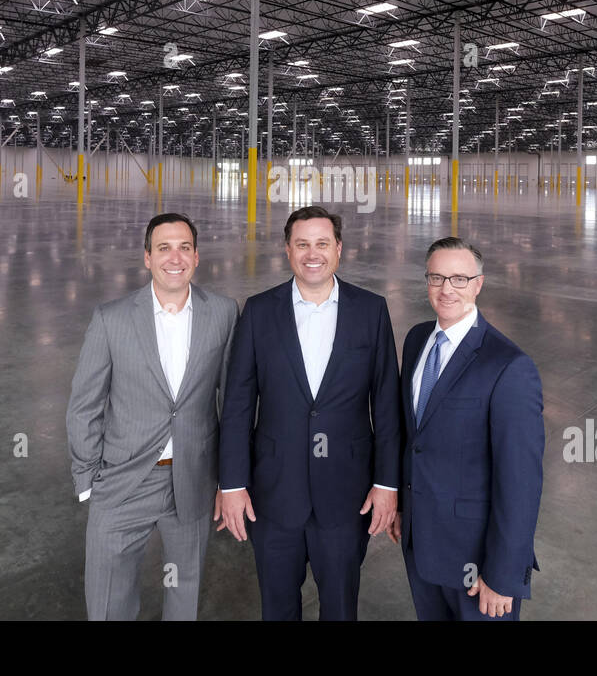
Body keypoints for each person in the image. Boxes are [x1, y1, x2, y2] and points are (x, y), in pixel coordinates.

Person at [218, 205, 401, 620]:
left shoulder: (370, 310)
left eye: (322, 243)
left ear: (339, 250)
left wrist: (387, 483)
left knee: (339, 607)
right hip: (272, 494)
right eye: (302, 244)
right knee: (277, 607)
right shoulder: (260, 310)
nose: (312, 253)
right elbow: (238, 404)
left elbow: (387, 404)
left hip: (346, 495)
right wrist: (232, 484)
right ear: (287, 251)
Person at [66, 212, 239, 620]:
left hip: (193, 479)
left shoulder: (224, 313)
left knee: (184, 590)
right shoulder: (112, 318)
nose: (174, 257)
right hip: (122, 480)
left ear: (197, 257)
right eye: (163, 248)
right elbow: (84, 404)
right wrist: (88, 478)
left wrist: (230, 481)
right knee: (108, 598)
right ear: (147, 258)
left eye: (184, 247)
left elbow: (233, 404)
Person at [390, 236, 544, 620]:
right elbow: (415, 440)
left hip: (477, 565)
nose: (447, 289)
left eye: (459, 279)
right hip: (421, 545)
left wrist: (503, 575)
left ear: (479, 283)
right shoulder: (416, 341)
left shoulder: (508, 366)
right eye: (437, 277)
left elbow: (521, 481)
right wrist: (400, 506)